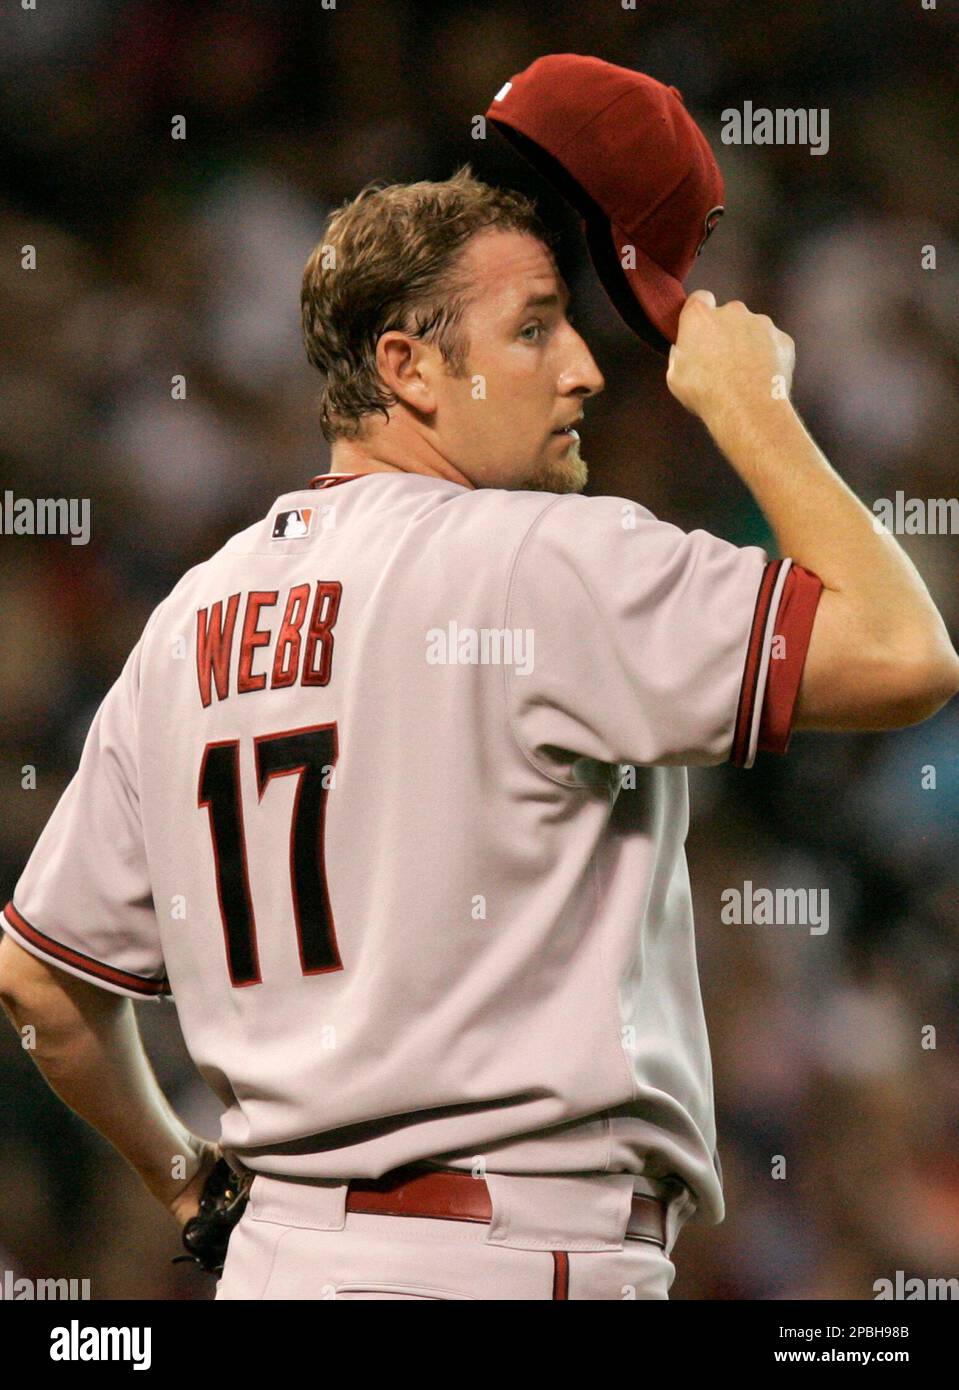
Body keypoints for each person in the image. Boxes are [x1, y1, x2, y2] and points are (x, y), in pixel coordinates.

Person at [1, 167, 957, 1301]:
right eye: (534, 330)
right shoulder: (534, 557)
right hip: (507, 1257)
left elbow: (42, 987)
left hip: (277, 1267)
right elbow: (906, 654)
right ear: (406, 368)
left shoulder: (185, 622)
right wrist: (750, 409)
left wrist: (189, 1183)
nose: (584, 369)